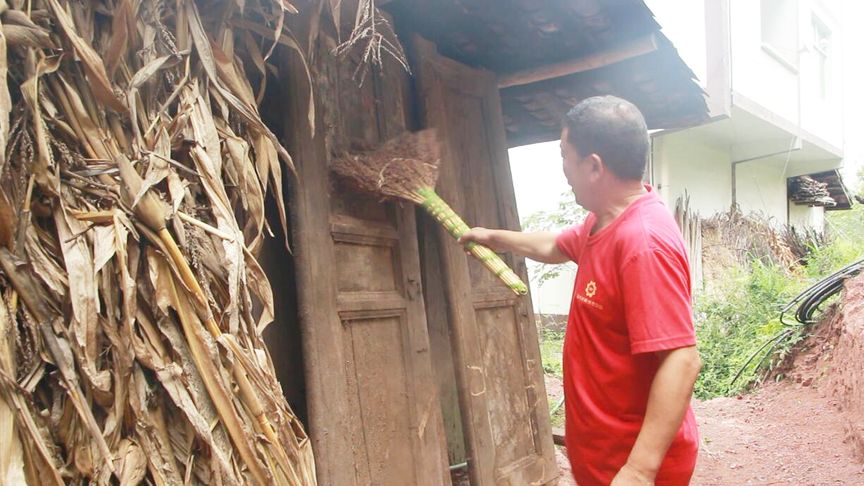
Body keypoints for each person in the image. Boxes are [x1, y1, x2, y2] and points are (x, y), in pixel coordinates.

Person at [459, 96, 701, 485]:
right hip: (603, 452)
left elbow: (682, 360)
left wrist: (639, 471)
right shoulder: (602, 222)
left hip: (629, 463)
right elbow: (556, 246)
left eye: (564, 156)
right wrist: (493, 238)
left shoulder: (642, 243)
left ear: (593, 166)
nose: (564, 170)